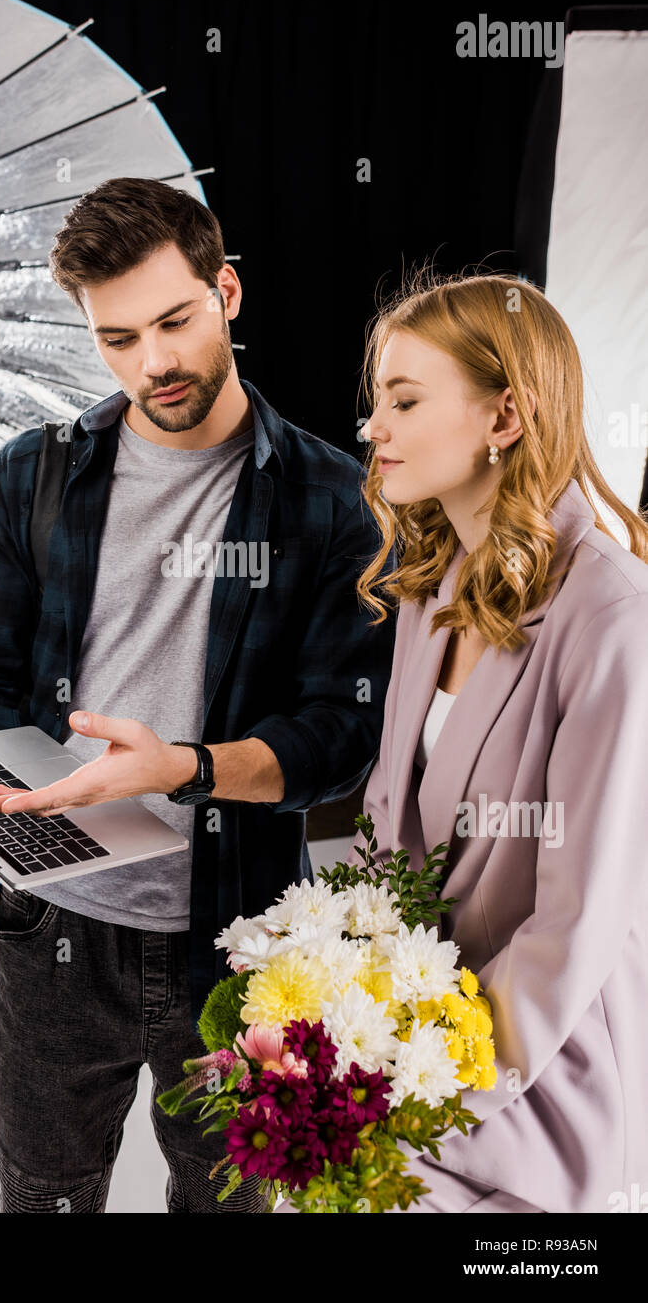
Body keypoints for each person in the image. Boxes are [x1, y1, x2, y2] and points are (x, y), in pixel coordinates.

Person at [0, 176, 396, 1213]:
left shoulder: (333, 500)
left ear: (229, 292)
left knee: (226, 1202)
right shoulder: (33, 476)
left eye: (174, 320)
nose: (154, 363)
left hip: (237, 933)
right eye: (117, 338)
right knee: (46, 1194)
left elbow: (342, 734)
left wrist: (189, 770)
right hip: (48, 931)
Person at [348, 269, 648, 1213]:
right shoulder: (428, 588)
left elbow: (575, 923)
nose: (372, 429)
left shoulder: (610, 617)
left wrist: (422, 1089)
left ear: (503, 417)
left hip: (527, 1075)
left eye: (403, 400)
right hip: (402, 1052)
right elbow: (382, 830)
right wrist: (336, 1013)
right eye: (374, 403)